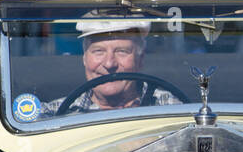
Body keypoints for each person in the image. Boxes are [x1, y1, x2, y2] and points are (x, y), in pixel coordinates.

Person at [41, 15, 181, 115]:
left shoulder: (169, 108)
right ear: (84, 58)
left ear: (140, 59)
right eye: (98, 51)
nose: (109, 63)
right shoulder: (54, 115)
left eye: (121, 51)